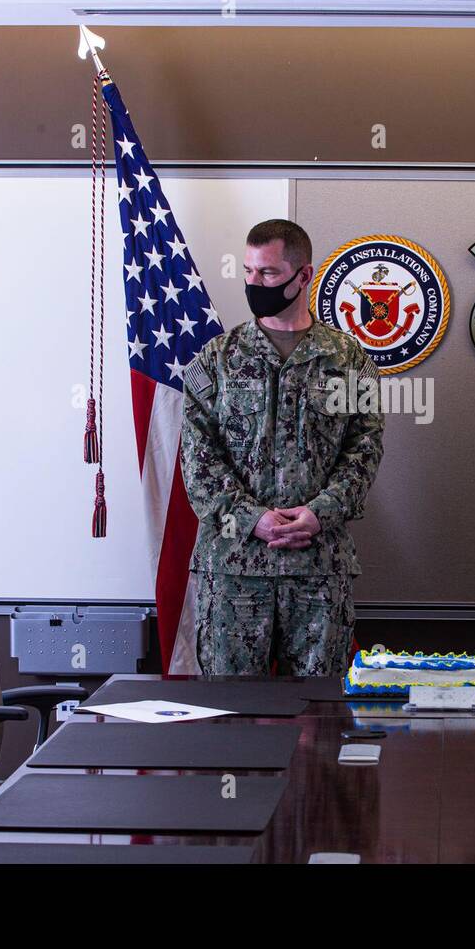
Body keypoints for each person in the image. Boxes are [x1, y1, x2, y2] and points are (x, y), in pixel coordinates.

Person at [180, 219, 385, 675]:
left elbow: (364, 451)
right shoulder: (217, 359)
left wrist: (320, 513)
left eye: (268, 273)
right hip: (233, 571)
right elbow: (199, 462)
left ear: (304, 275)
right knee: (231, 721)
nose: (255, 283)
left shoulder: (348, 360)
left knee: (318, 717)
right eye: (249, 272)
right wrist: (255, 520)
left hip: (318, 568)